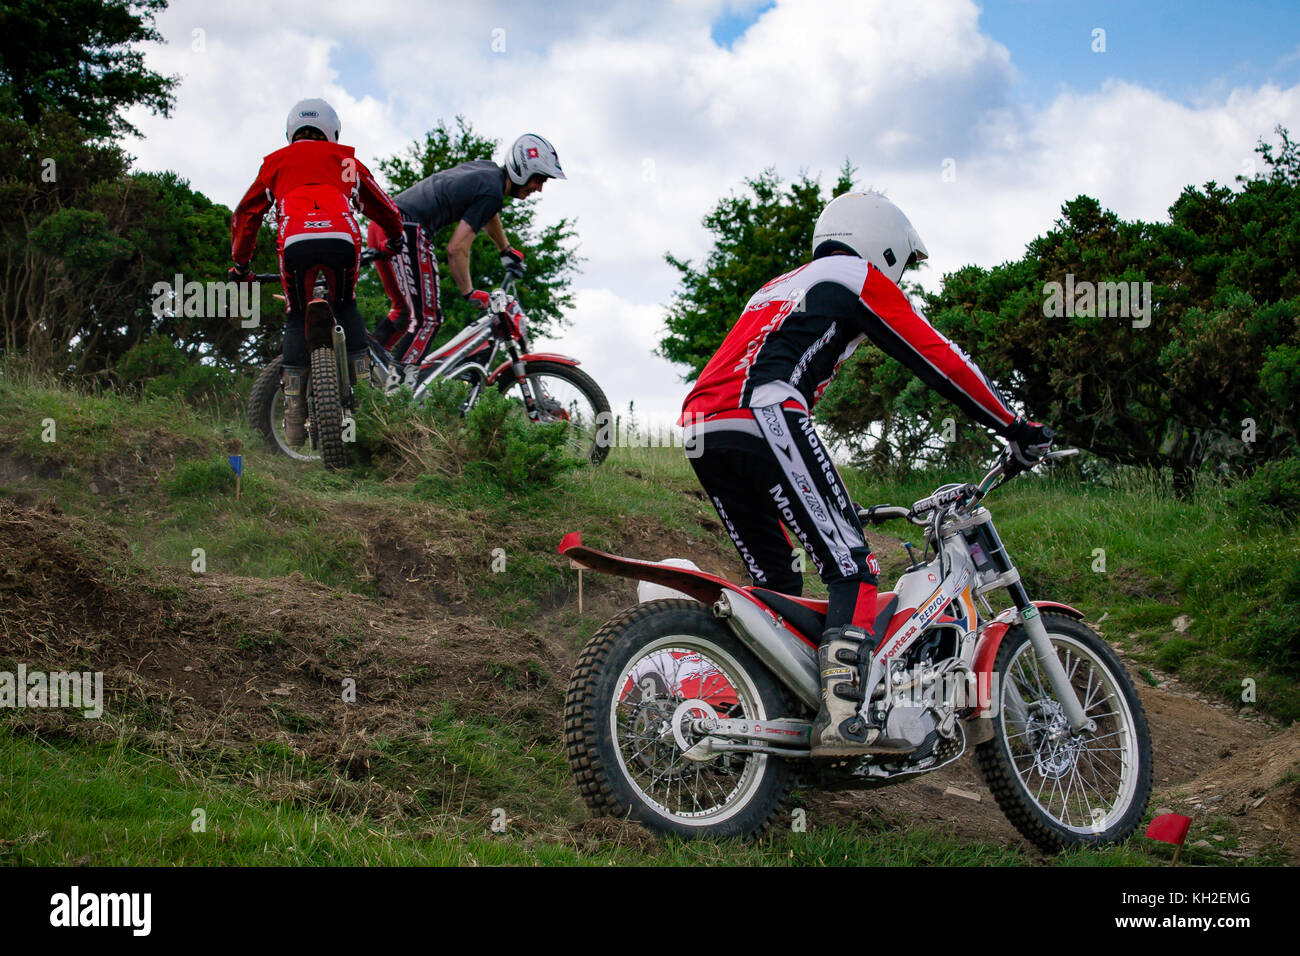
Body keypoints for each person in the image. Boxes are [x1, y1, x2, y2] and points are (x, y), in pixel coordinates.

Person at [679, 191, 1054, 757]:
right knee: (853, 567)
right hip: (765, 413)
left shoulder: (781, 285)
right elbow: (939, 357)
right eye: (901, 266)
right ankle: (844, 717)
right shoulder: (855, 275)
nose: (899, 280)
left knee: (778, 582)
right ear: (884, 246)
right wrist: (1014, 426)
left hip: (701, 425)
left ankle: (751, 714)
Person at [230, 98, 405, 445]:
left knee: (297, 316)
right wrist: (396, 237)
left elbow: (246, 215)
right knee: (346, 306)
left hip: (295, 240)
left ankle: (294, 414)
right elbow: (383, 206)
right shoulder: (345, 160)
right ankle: (365, 401)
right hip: (342, 237)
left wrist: (242, 265)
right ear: (332, 131)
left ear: (290, 131)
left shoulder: (275, 163)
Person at [367, 133, 565, 390]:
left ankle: (362, 367)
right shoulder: (492, 191)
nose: (538, 188)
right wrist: (469, 292)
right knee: (428, 320)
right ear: (521, 172)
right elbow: (457, 248)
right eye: (538, 179)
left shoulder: (488, 173)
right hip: (407, 228)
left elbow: (487, 212)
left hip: (382, 222)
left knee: (404, 312)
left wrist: (505, 248)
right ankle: (396, 396)